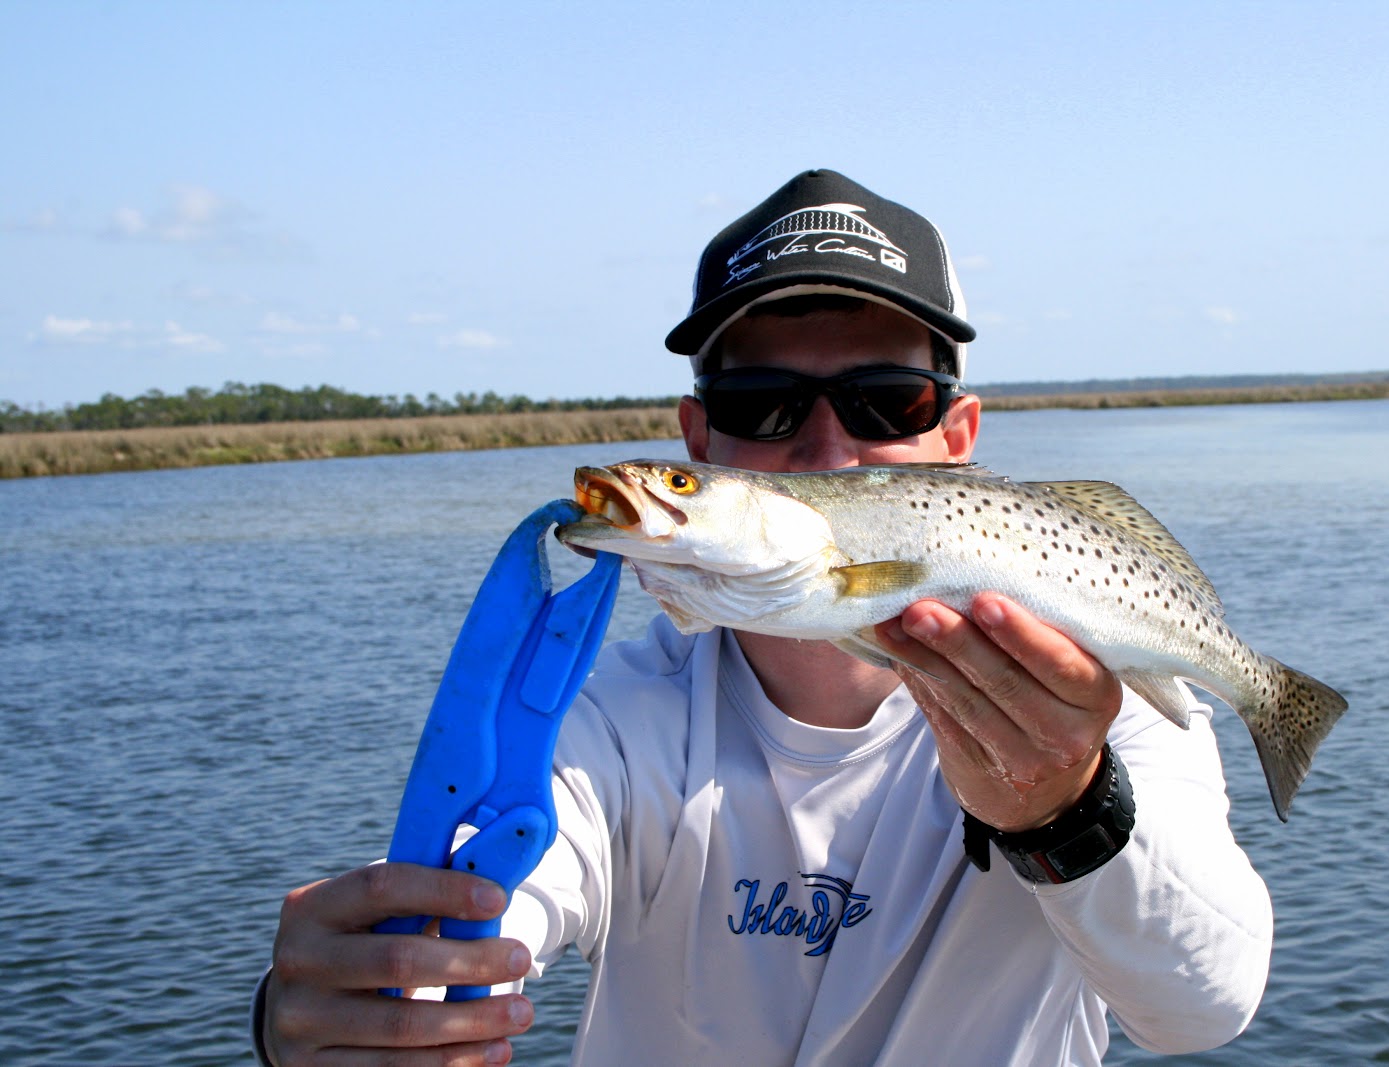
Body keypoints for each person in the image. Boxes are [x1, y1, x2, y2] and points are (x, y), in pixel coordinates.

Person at [257, 169, 1272, 1066]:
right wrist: (353, 1006)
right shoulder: (611, 723)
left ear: (957, 435)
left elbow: (1203, 1006)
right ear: (701, 439)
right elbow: (496, 896)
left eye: (889, 401)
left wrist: (1068, 809)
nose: (831, 452)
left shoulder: (1093, 705)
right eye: (760, 401)